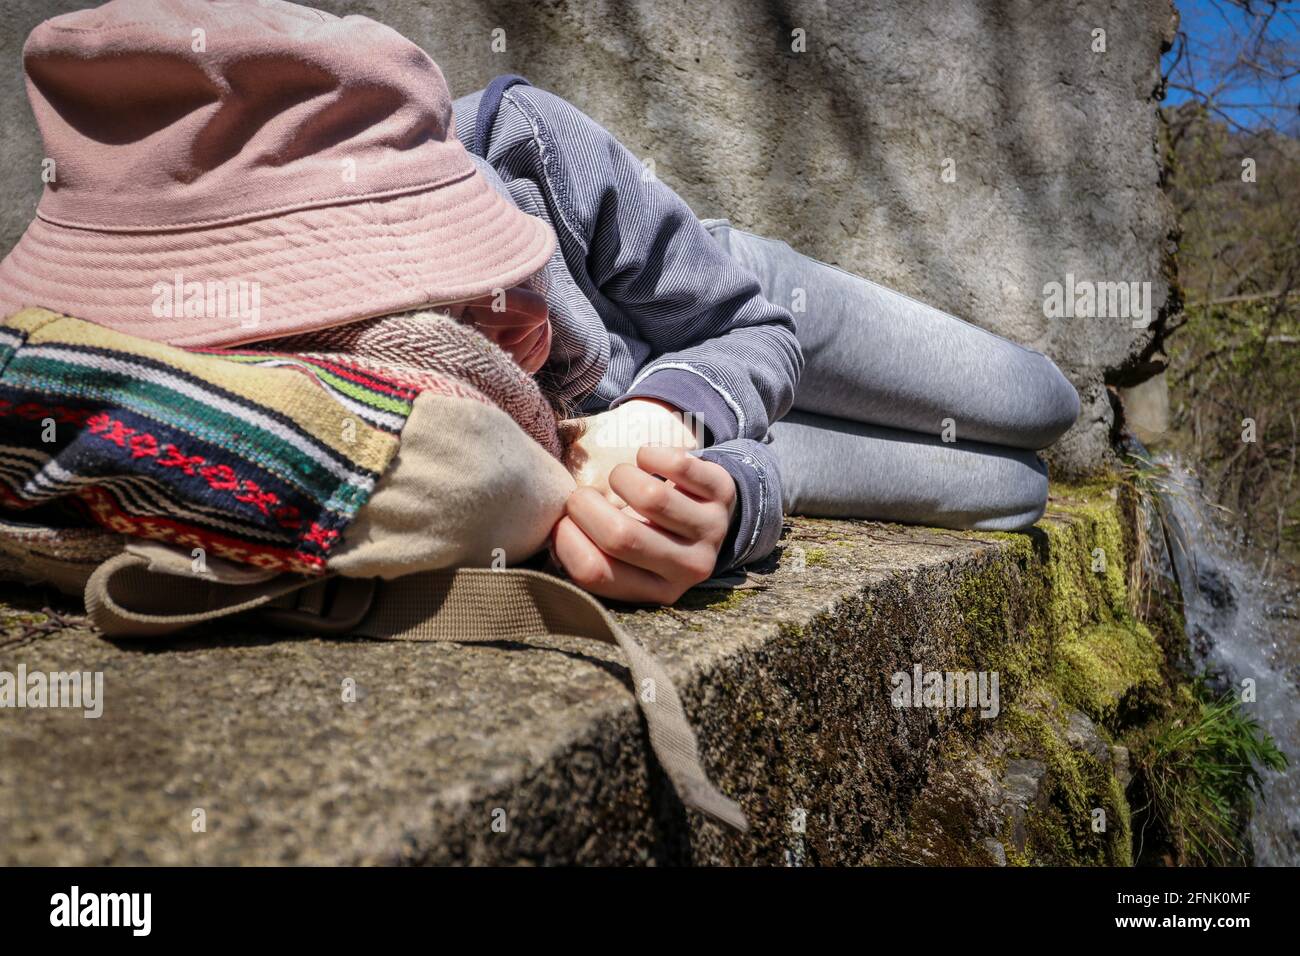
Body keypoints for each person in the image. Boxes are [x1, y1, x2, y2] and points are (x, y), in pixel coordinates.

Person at [0, 0, 1080, 609]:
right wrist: (719, 508)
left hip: (725, 313)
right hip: (671, 437)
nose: (519, 327)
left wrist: (668, 407)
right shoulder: (232, 376)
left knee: (1039, 404)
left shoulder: (527, 140)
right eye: (397, 299)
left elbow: (752, 327)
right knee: (1004, 493)